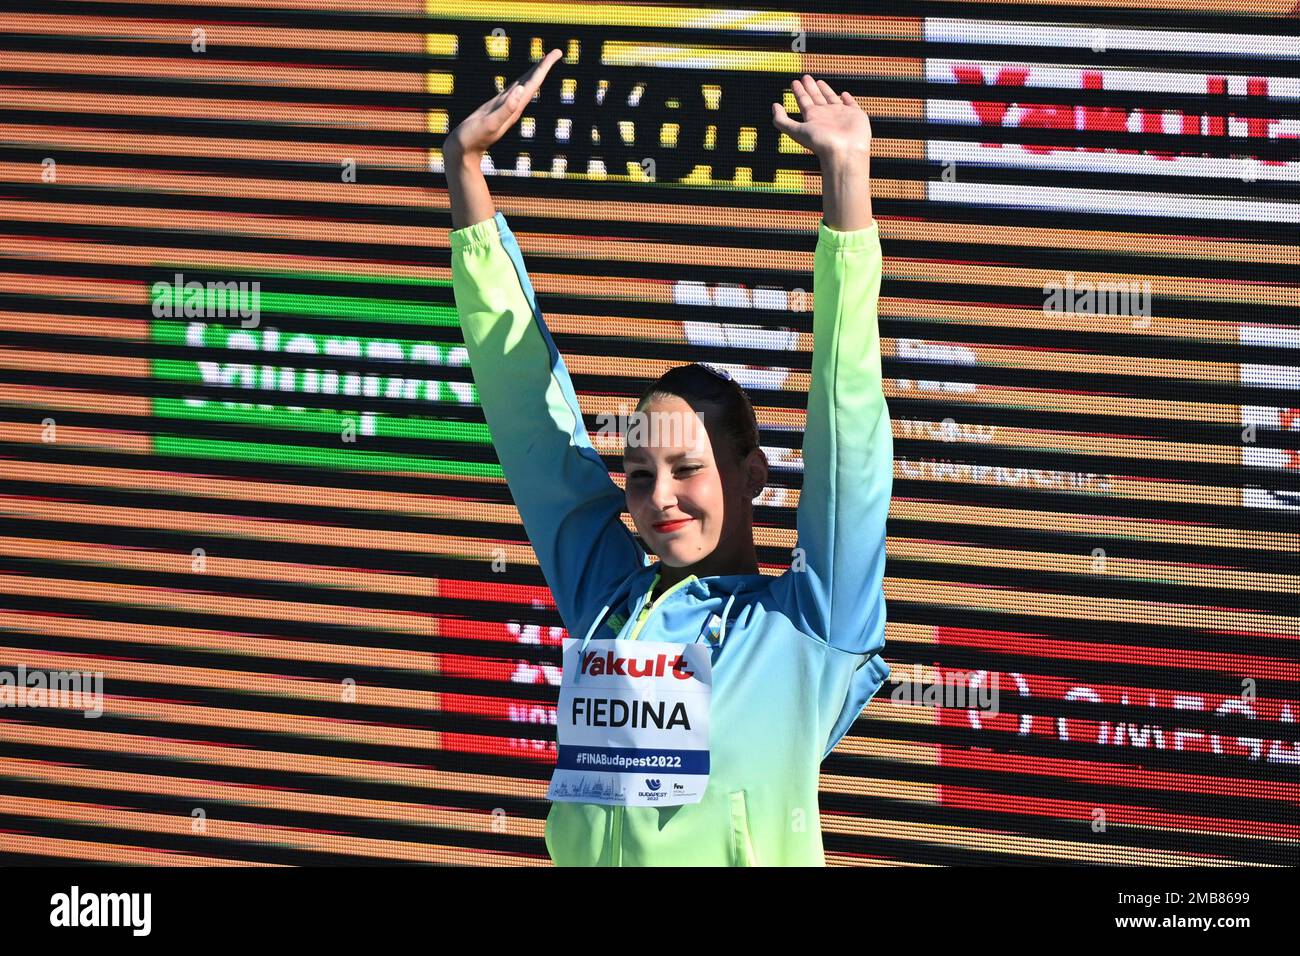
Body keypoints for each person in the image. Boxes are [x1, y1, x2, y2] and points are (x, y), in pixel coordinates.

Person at [445, 51, 892, 866]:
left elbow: (849, 432)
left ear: (752, 476)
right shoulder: (607, 597)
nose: (661, 498)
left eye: (689, 469)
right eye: (642, 475)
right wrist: (467, 176)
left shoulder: (810, 625)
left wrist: (848, 183)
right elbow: (531, 427)